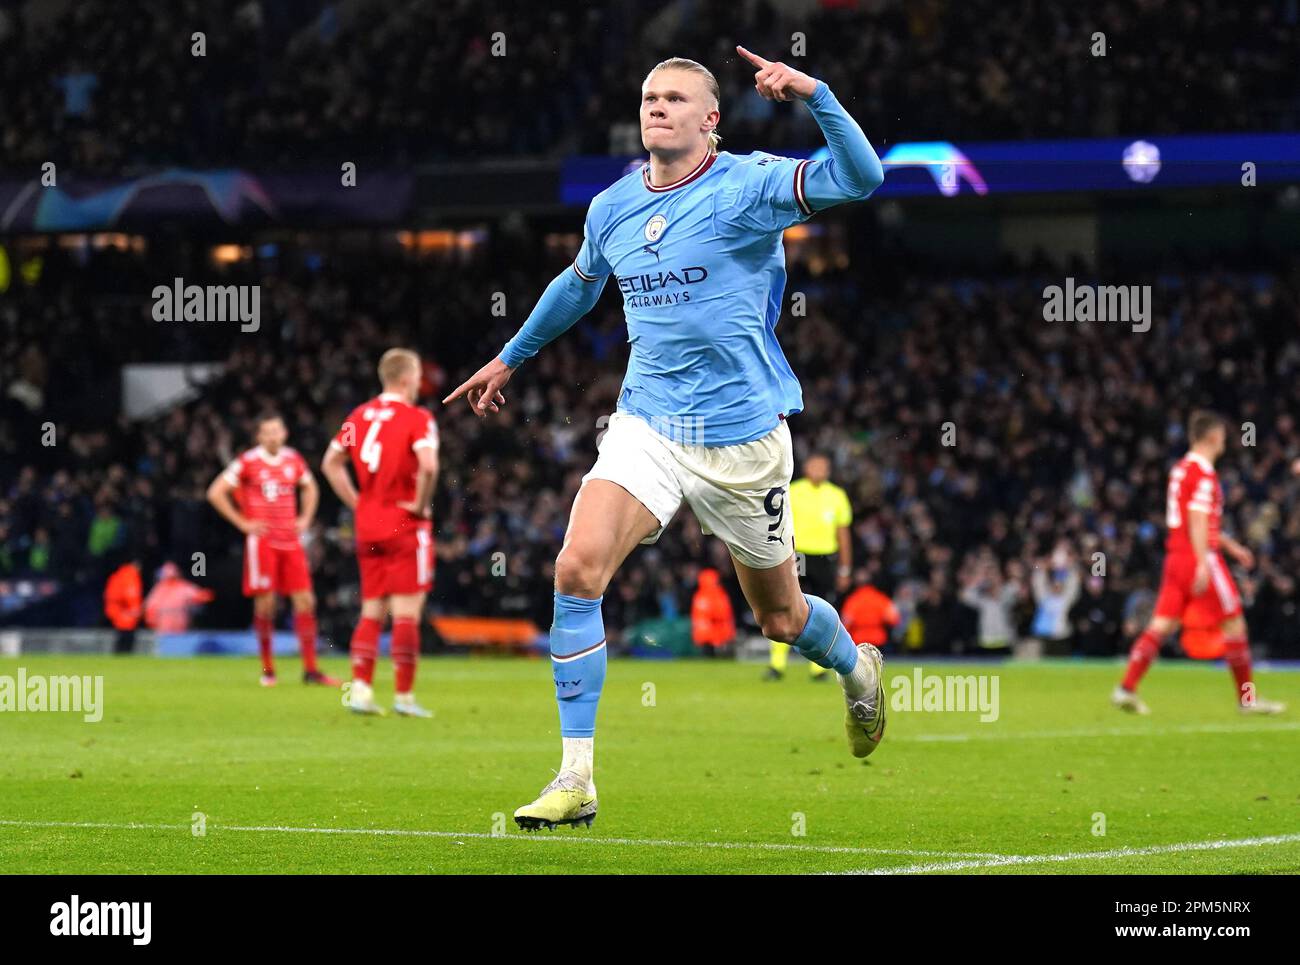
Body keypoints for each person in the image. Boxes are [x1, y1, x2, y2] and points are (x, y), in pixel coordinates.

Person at [446, 48, 886, 831]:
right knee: (576, 567)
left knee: (780, 619)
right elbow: (577, 285)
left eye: (676, 97)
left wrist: (816, 92)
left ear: (710, 119)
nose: (657, 106)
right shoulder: (612, 207)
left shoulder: (748, 185)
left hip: (744, 437)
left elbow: (861, 177)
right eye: (649, 95)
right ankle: (575, 776)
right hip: (647, 421)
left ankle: (857, 667)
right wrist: (509, 357)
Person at [1114, 410, 1285, 714]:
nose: (1224, 443)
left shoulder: (1181, 469)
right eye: (1222, 437)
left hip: (1175, 557)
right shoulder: (1204, 474)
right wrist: (1204, 562)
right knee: (1234, 623)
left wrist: (1232, 547)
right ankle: (1247, 699)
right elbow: (1198, 519)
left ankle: (1125, 688)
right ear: (1213, 436)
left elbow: (1195, 521)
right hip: (1198, 556)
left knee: (1161, 625)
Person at [322, 348, 440, 718]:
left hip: (368, 524)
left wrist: (358, 502)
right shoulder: (417, 418)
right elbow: (430, 466)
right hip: (405, 525)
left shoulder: (358, 415)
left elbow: (330, 464)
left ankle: (360, 690)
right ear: (406, 378)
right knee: (406, 613)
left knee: (371, 610)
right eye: (419, 374)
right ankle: (404, 697)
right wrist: (420, 504)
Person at [207, 414, 338, 687]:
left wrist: (305, 518)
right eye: (267, 432)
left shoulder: (293, 459)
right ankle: (268, 669)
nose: (273, 436)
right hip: (263, 542)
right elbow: (216, 492)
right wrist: (243, 523)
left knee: (305, 601)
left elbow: (311, 488)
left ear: (285, 433)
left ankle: (311, 670)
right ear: (259, 437)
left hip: (290, 541)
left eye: (277, 431)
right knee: (266, 604)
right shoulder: (248, 462)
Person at [766, 451, 852, 680]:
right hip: (798, 555)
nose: (819, 470)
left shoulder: (837, 495)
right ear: (807, 468)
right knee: (786, 605)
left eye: (823, 466)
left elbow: (843, 534)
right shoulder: (793, 490)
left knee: (824, 609)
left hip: (825, 558)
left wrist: (845, 568)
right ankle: (777, 664)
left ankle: (819, 668)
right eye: (815, 465)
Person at [143, 561, 214, 633]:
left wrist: (203, 595)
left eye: (172, 577)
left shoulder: (183, 586)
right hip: (163, 626)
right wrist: (151, 618)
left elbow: (200, 596)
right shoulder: (159, 588)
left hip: (181, 625)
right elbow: (150, 606)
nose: (170, 580)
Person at [690, 567, 735, 656]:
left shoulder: (698, 595)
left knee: (707, 654)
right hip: (715, 630)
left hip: (702, 630)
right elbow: (722, 613)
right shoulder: (718, 594)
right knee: (718, 655)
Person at [104, 553, 142, 654]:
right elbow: (131, 593)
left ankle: (119, 653)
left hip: (114, 608)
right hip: (123, 611)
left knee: (121, 634)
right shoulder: (130, 575)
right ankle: (123, 653)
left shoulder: (118, 574)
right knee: (126, 635)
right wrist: (136, 609)